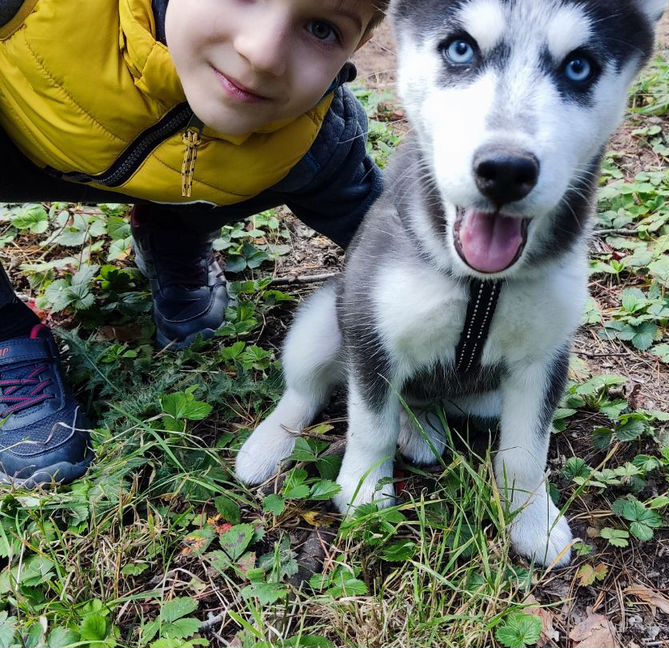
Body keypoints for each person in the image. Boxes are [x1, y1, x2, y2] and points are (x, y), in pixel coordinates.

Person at [0, 0, 388, 487]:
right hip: (28, 143)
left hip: (193, 173)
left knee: (287, 161)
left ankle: (171, 235)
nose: (263, 54)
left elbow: (401, 243)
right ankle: (7, 334)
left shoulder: (317, 135)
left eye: (321, 28)